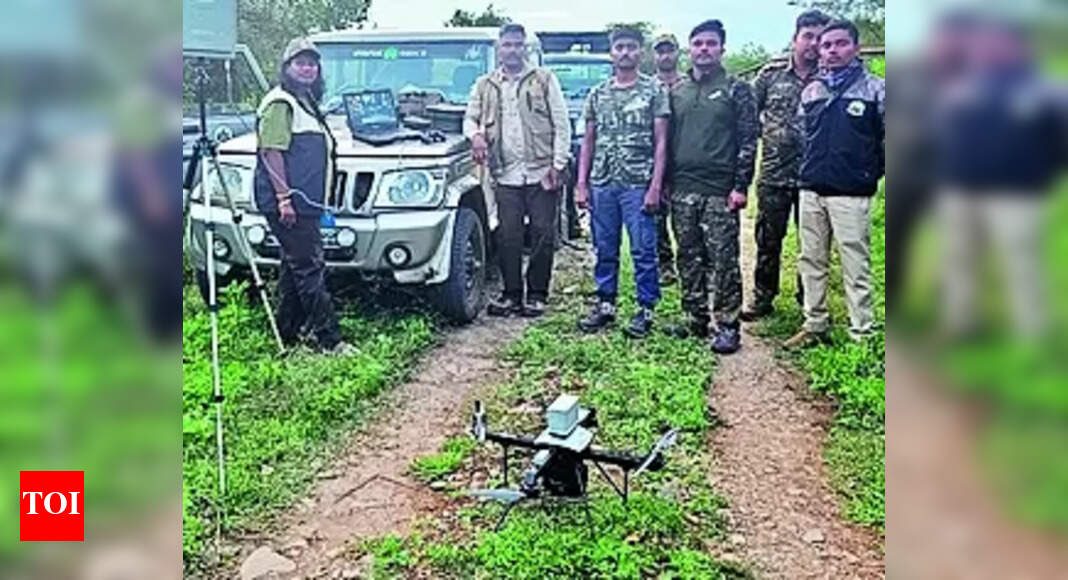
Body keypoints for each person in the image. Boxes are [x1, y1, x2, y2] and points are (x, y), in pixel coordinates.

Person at [785, 20, 885, 348]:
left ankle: (862, 332)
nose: (832, 50)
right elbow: (804, 138)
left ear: (856, 48)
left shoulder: (876, 89)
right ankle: (814, 324)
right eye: (826, 45)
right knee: (810, 260)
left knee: (855, 263)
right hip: (812, 188)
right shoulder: (812, 90)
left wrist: (868, 173)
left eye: (840, 44)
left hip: (851, 193)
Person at [463, 23, 571, 318]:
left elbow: (562, 125)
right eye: (507, 45)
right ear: (499, 48)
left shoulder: (544, 80)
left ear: (526, 48)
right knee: (507, 234)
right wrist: (475, 136)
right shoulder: (485, 85)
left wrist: (558, 165)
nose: (512, 50)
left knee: (541, 233)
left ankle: (537, 294)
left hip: (541, 170)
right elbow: (470, 119)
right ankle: (511, 294)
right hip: (505, 172)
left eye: (517, 45)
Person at [253, 37, 352, 354]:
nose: (308, 68)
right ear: (287, 68)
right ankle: (330, 340)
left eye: (312, 63)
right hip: (289, 202)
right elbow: (271, 152)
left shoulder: (305, 100)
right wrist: (284, 198)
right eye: (301, 63)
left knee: (294, 266)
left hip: (304, 202)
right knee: (310, 267)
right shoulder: (281, 103)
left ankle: (288, 333)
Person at [666, 19, 758, 354]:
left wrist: (741, 185)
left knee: (723, 259)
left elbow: (749, 139)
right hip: (682, 189)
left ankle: (728, 324)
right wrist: (664, 184)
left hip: (720, 190)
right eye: (698, 43)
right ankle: (694, 317)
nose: (704, 49)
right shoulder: (677, 90)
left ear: (721, 49)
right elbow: (667, 140)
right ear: (689, 50)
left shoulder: (737, 89)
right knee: (688, 255)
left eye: (711, 43)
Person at [575, 26, 670, 338]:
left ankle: (645, 308)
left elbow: (661, 142)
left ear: (640, 52)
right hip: (603, 181)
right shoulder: (597, 94)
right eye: (619, 47)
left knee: (643, 249)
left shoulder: (654, 91)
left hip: (638, 182)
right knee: (605, 247)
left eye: (631, 46)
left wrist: (656, 185)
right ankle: (605, 304)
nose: (625, 52)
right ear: (611, 53)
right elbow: (588, 142)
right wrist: (582, 183)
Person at [741, 10, 829, 322]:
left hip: (817, 178)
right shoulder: (770, 75)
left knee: (814, 243)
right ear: (795, 40)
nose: (814, 44)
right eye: (808, 36)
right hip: (775, 174)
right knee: (767, 238)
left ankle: (811, 301)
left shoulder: (833, 76)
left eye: (820, 37)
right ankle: (763, 297)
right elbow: (748, 119)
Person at [652, 32, 684, 287]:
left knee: (684, 217)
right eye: (660, 51)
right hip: (654, 160)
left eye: (669, 50)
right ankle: (664, 264)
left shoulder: (688, 84)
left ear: (677, 53)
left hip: (685, 159)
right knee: (657, 217)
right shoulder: (648, 87)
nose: (665, 55)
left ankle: (689, 263)